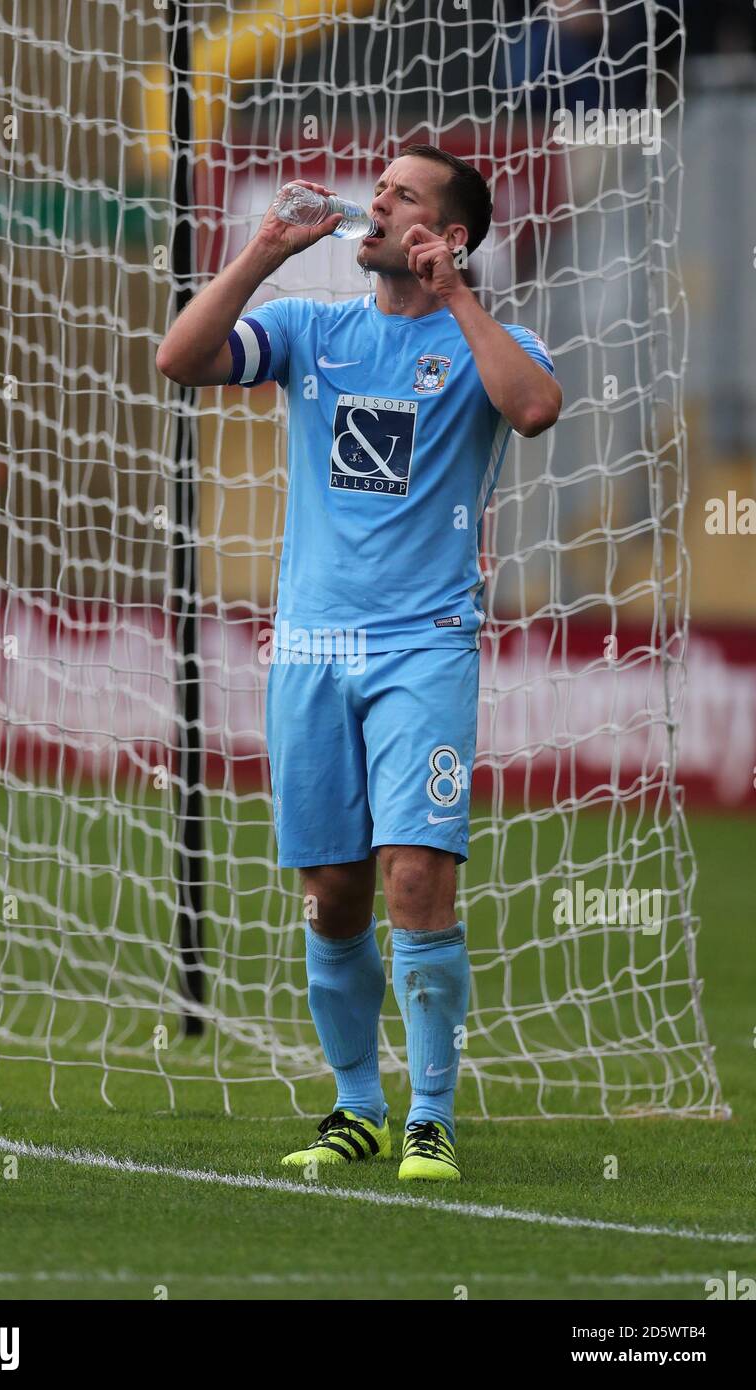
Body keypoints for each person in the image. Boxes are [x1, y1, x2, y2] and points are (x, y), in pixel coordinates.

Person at [156, 145, 561, 1180]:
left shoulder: (490, 342)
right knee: (334, 894)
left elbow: (534, 407)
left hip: (424, 647)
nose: (377, 201)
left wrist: (456, 295)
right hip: (309, 650)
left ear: (448, 233)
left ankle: (432, 1113)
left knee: (417, 875)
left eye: (406, 195)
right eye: (378, 189)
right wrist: (260, 252)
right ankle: (356, 1106)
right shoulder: (310, 331)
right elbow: (181, 359)